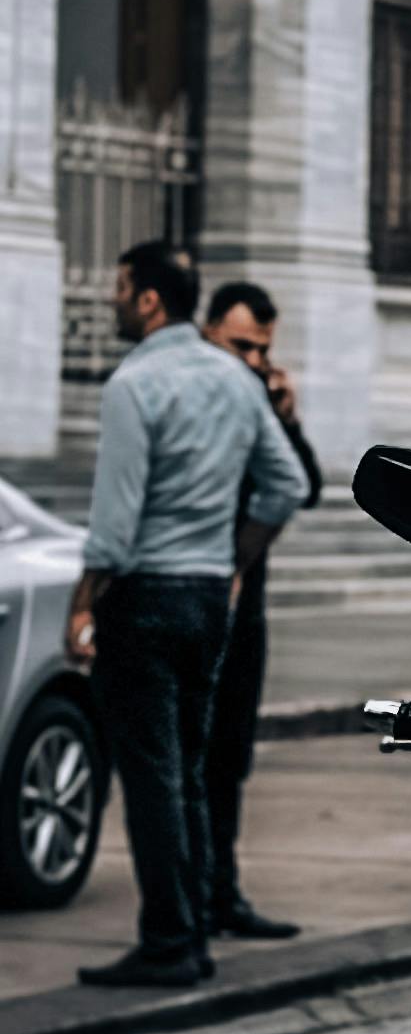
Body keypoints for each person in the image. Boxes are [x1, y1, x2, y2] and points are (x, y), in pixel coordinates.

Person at [66, 240, 309, 988]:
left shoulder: (135, 382)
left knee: (153, 776)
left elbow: (113, 527)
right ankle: (195, 923)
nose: (111, 299)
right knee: (193, 770)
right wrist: (234, 561)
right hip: (208, 598)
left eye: (119, 286)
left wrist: (82, 606)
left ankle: (171, 940)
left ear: (146, 299)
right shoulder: (236, 381)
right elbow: (287, 484)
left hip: (146, 597)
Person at [198, 279, 323, 940]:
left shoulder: (257, 398)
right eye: (240, 344)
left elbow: (304, 489)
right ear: (208, 329)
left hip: (244, 608)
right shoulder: (192, 391)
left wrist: (287, 414)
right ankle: (190, 898)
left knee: (230, 754)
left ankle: (222, 893)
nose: (251, 360)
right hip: (192, 595)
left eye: (262, 350)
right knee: (190, 754)